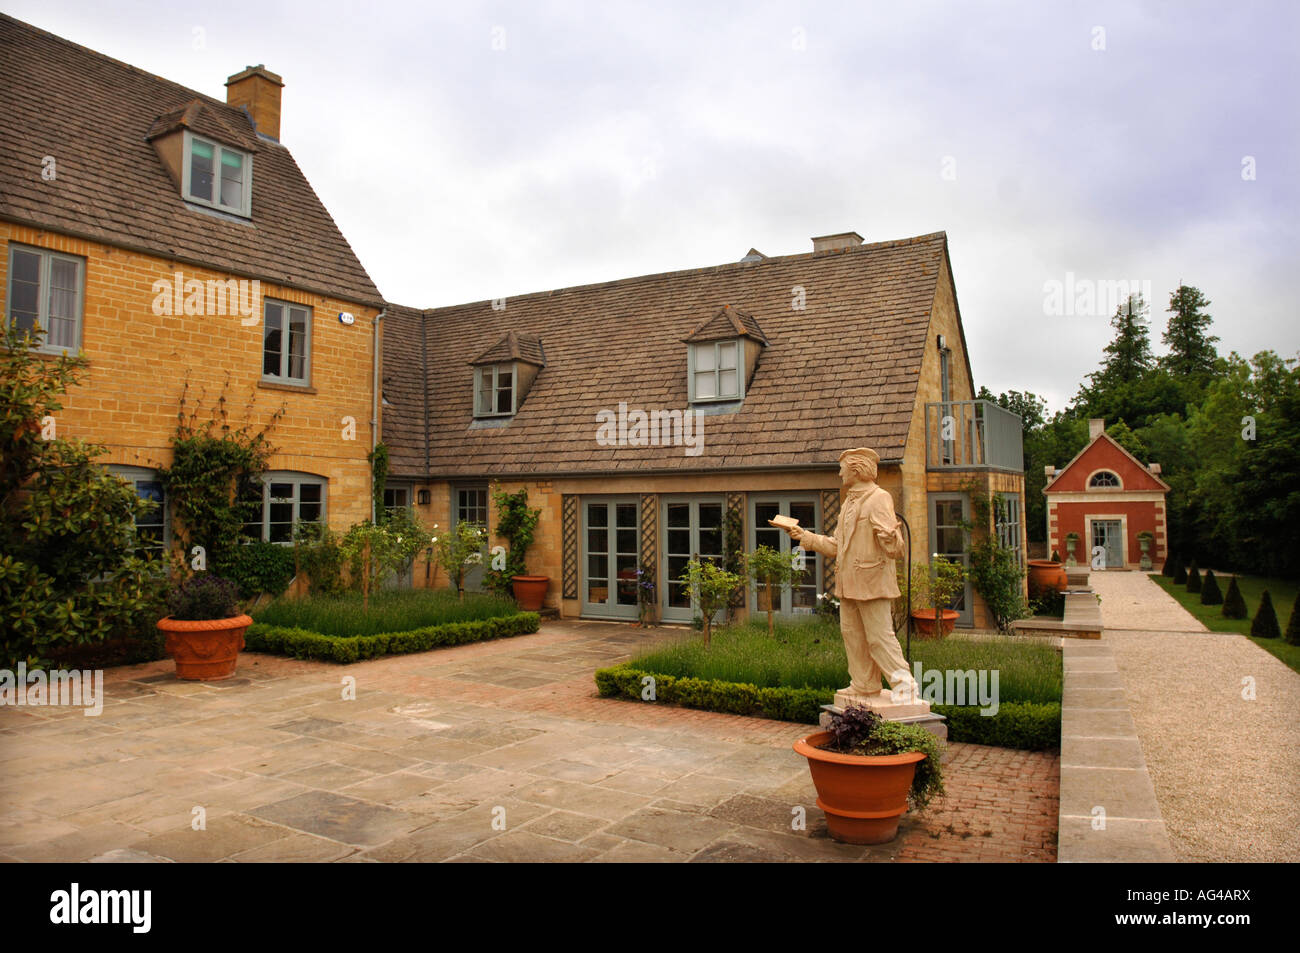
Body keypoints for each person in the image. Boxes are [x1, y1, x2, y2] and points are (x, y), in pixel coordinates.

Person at [785, 447, 920, 703]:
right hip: (848, 585)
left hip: (872, 584)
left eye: (843, 469)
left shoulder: (879, 498)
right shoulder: (848, 502)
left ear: (856, 470)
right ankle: (864, 684)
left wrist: (891, 538)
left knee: (880, 638)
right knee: (853, 636)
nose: (840, 474)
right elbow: (837, 546)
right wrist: (806, 537)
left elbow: (896, 550)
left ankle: (905, 688)